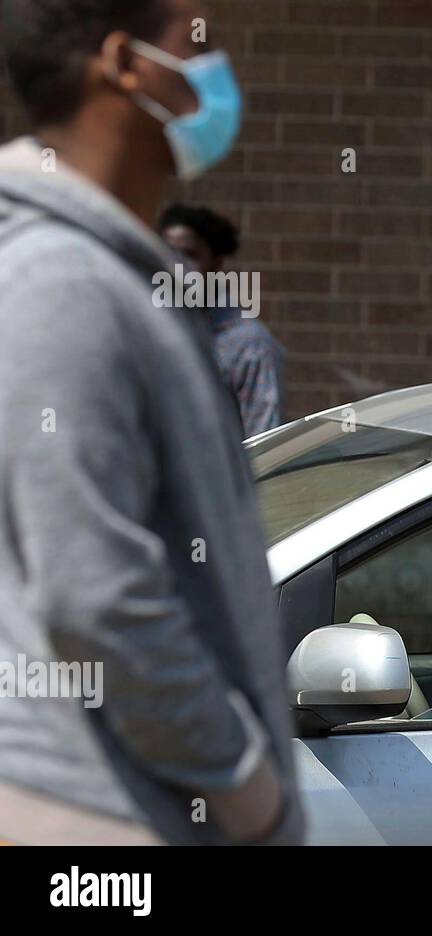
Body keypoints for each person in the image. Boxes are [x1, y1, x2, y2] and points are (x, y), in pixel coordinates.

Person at [0, 0, 301, 844]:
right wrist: (247, 788)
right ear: (124, 64)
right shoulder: (62, 281)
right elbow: (97, 594)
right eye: (197, 44)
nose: (219, 71)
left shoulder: (114, 277)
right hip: (96, 822)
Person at [160, 203, 286, 438]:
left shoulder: (250, 347)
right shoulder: (152, 331)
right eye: (168, 253)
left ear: (216, 263)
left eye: (189, 255)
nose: (177, 267)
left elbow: (264, 440)